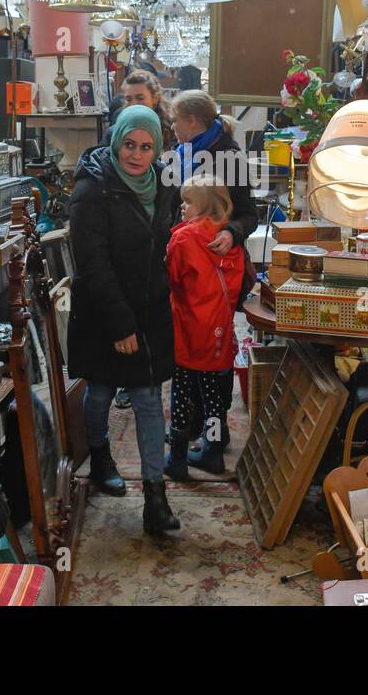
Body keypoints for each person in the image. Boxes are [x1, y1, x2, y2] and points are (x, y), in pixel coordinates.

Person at [66, 104, 181, 535]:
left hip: (150, 311)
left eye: (146, 147)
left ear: (157, 148)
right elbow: (92, 263)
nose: (137, 154)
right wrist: (119, 325)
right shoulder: (91, 190)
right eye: (129, 145)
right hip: (104, 311)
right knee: (100, 392)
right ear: (116, 142)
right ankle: (100, 456)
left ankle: (156, 499)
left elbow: (167, 239)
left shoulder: (165, 182)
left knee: (149, 399)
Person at [168, 90, 258, 446]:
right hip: (189, 268)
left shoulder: (229, 155)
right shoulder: (180, 153)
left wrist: (231, 232)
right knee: (187, 354)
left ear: (192, 121)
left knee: (215, 356)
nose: (172, 127)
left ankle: (213, 433)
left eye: (175, 121)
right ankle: (192, 427)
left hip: (218, 270)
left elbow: (249, 214)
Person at [164, 174, 244, 479]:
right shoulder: (228, 240)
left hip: (190, 327)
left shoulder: (184, 239)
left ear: (205, 204)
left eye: (188, 201)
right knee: (213, 396)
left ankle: (177, 457)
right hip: (219, 327)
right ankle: (212, 451)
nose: (182, 207)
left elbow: (170, 278)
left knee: (182, 392)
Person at [105, 69, 174, 412]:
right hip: (120, 278)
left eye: (139, 98)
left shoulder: (166, 163)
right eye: (127, 98)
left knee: (148, 381)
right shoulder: (108, 164)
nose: (137, 153)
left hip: (153, 285)